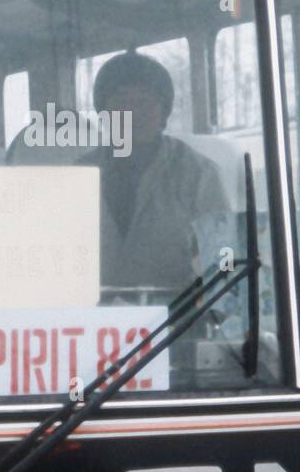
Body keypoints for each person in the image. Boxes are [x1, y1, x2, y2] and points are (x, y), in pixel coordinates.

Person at [80, 51, 228, 292]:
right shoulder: (78, 175)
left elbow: (224, 266)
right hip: (94, 323)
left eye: (144, 101)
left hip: (177, 322)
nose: (132, 112)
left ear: (164, 111)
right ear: (103, 111)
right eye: (120, 100)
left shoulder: (198, 175)